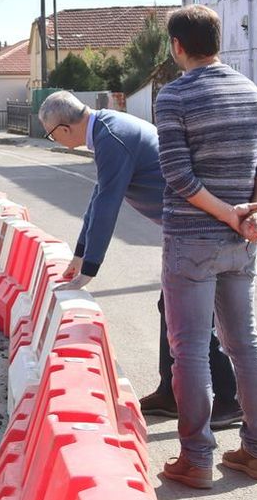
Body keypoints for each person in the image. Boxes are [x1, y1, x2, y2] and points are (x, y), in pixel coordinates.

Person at [38, 91, 242, 430]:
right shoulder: (105, 128)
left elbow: (107, 204)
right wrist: (79, 253)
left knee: (190, 313)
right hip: (185, 226)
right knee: (172, 307)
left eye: (50, 134)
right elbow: (99, 196)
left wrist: (90, 269)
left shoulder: (111, 136)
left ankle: (229, 400)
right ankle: (171, 392)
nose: (54, 140)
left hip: (196, 227)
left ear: (62, 128)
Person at [155, 4, 257, 490]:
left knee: (188, 348)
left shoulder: (174, 95)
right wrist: (255, 211)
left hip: (192, 239)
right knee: (244, 344)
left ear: (177, 46)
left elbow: (178, 175)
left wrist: (228, 212)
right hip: (243, 241)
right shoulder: (251, 91)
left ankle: (196, 458)